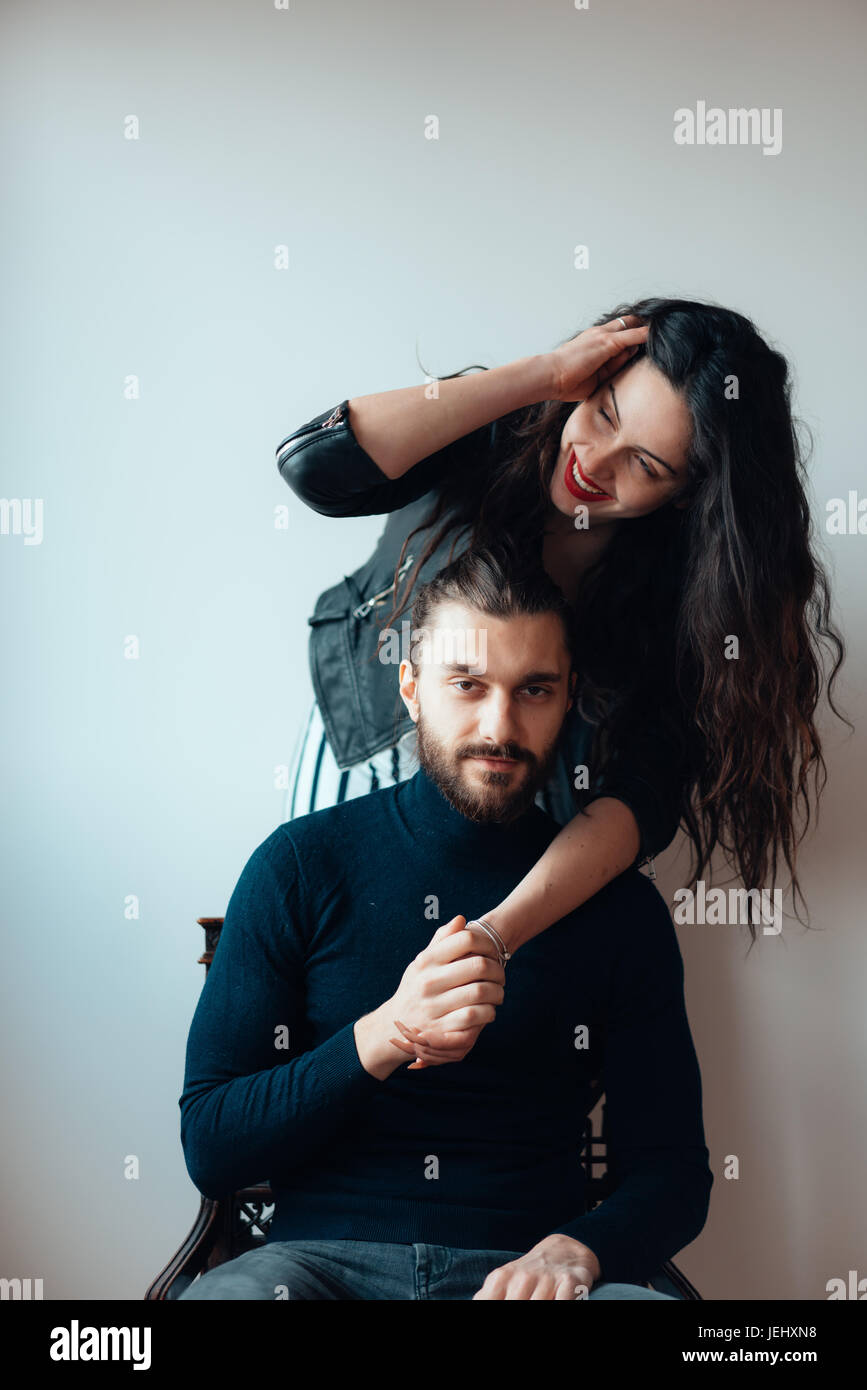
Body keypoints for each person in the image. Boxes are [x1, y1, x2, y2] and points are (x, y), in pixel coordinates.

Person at [276, 297, 848, 1065]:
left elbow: (638, 799)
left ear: (686, 493)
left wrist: (495, 935)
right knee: (325, 1024)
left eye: (644, 465)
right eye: (604, 412)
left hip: (525, 830)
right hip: (363, 750)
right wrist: (539, 378)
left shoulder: (681, 602)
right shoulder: (488, 425)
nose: (594, 461)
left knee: (479, 1059)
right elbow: (316, 469)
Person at [178, 546, 713, 1301]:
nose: (499, 726)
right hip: (311, 1273)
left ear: (567, 701)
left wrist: (577, 1251)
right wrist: (386, 1033)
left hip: (525, 1276)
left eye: (534, 689)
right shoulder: (301, 865)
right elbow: (212, 1143)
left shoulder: (616, 907)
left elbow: (671, 1170)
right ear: (411, 689)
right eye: (467, 685)